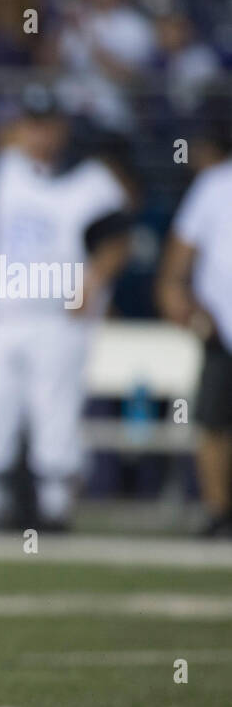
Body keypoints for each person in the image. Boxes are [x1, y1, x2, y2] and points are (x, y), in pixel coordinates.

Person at [0, 87, 133, 530]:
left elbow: (119, 238)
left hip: (58, 318)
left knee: (54, 414)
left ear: (62, 128)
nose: (39, 134)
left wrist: (93, 283)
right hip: (4, 315)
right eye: (31, 124)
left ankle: (54, 510)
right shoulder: (4, 168)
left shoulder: (90, 180)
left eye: (47, 125)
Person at [156, 130, 232, 537]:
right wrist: (175, 293)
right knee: (214, 423)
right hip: (222, 326)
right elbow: (180, 254)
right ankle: (219, 512)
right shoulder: (215, 185)